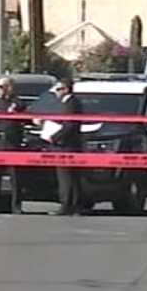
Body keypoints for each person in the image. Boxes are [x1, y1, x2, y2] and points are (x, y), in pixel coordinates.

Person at [0, 76, 27, 214]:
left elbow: (24, 111)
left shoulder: (18, 102)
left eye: (1, 87)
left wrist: (15, 108)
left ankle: (16, 206)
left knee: (16, 176)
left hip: (12, 143)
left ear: (9, 87)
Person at [47, 78, 86, 216]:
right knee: (71, 177)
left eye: (58, 89)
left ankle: (68, 205)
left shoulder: (71, 103)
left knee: (66, 177)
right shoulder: (69, 103)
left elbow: (69, 125)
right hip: (69, 144)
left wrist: (54, 136)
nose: (56, 93)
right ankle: (75, 205)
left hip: (67, 146)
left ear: (66, 89)